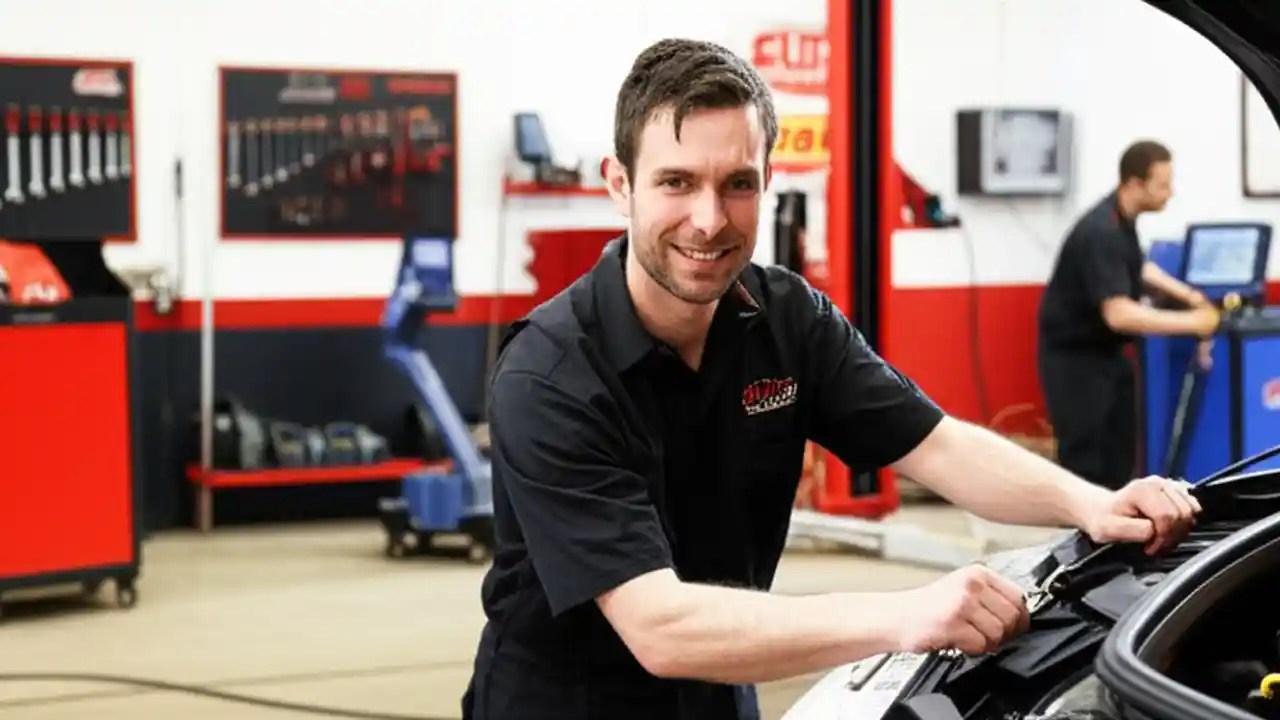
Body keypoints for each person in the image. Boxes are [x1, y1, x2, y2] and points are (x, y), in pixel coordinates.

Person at [462, 40, 1202, 720]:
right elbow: (661, 628)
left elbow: (935, 445)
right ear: (620, 185)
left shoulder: (787, 320)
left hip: (722, 689)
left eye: (737, 183)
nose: (709, 219)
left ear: (768, 182)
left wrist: (1094, 504)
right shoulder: (551, 376)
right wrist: (909, 615)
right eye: (676, 182)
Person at [1038, 140, 1220, 491]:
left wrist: (1189, 295)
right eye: (1163, 185)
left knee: (1119, 463)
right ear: (1135, 185)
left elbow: (1137, 268)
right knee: (1088, 470)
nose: (1170, 193)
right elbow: (1118, 314)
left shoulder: (1122, 221)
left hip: (1108, 358)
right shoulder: (1100, 231)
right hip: (1077, 365)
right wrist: (1193, 323)